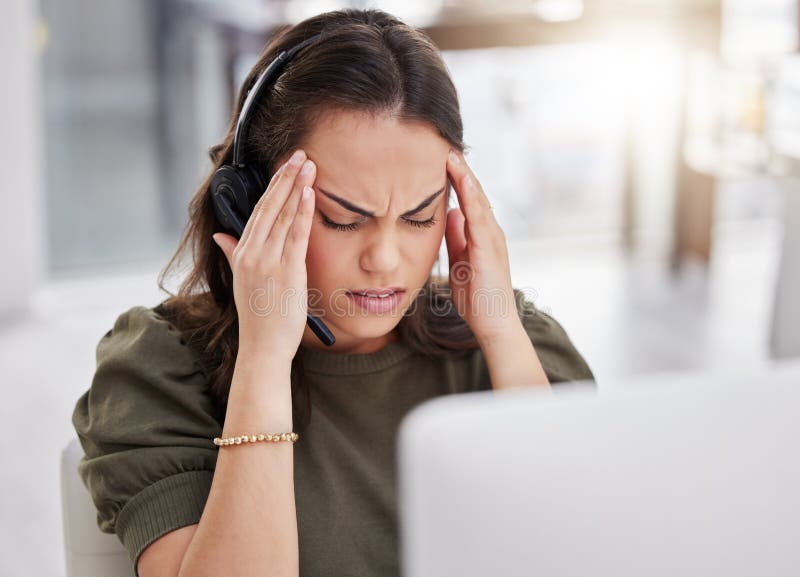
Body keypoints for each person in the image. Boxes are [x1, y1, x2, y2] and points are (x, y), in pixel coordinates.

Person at [72, 8, 594, 577]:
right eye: (344, 219)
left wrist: (500, 335)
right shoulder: (157, 371)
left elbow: (581, 552)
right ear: (248, 205)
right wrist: (265, 359)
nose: (386, 259)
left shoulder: (517, 344)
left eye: (419, 219)